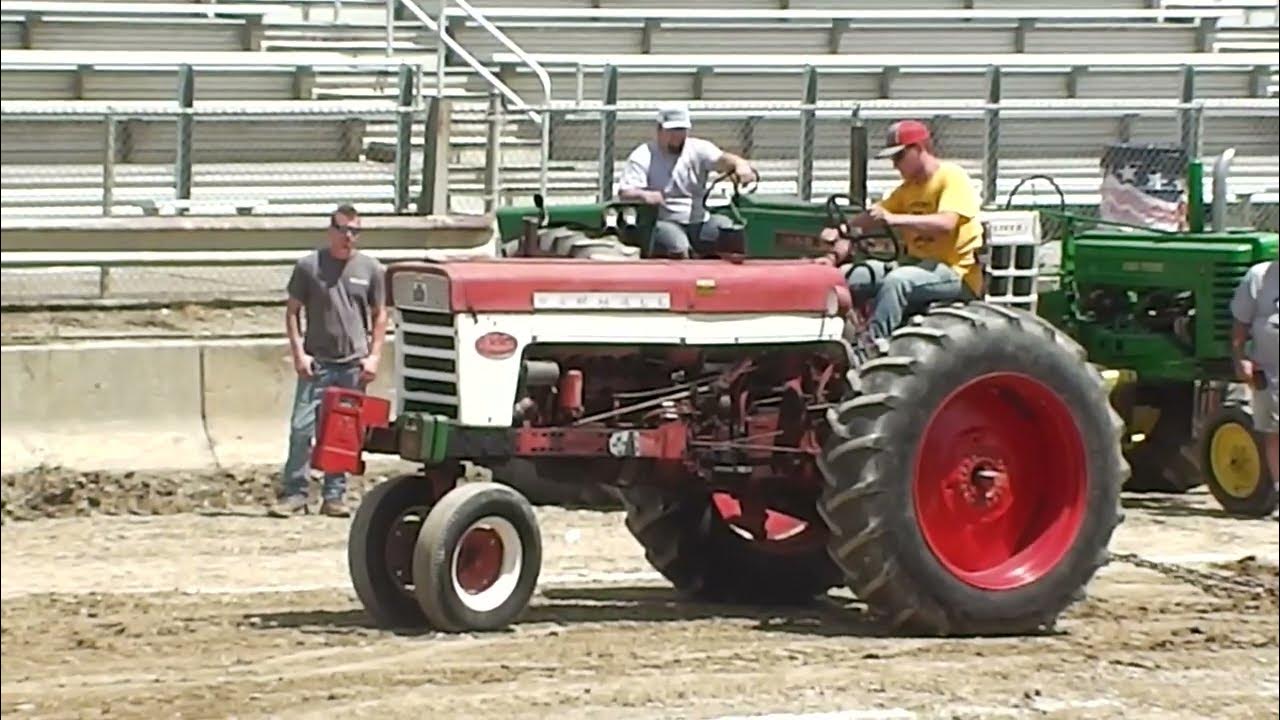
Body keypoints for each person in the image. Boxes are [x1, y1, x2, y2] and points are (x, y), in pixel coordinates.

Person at [270, 204, 388, 518]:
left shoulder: (371, 270)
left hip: (353, 365)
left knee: (342, 433)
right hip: (317, 365)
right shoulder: (309, 267)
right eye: (343, 229)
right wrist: (299, 354)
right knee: (301, 429)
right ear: (330, 230)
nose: (348, 236)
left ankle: (334, 496)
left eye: (354, 231)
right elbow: (293, 312)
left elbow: (380, 316)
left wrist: (374, 356)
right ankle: (295, 492)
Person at [818, 119, 985, 339]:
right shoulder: (907, 189)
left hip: (954, 272)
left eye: (898, 157)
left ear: (918, 149)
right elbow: (874, 216)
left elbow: (947, 223)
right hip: (915, 264)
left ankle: (873, 346)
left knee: (898, 281)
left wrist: (893, 219)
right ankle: (838, 336)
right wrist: (841, 230)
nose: (894, 165)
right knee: (846, 276)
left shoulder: (951, 177)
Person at [618, 104, 758, 258]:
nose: (677, 136)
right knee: (678, 246)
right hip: (664, 220)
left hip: (700, 220)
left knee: (730, 232)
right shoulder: (643, 155)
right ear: (659, 130)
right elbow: (625, 192)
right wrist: (645, 196)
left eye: (681, 130)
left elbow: (722, 159)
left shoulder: (698, 148)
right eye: (671, 131)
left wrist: (740, 165)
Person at [1229, 257, 1279, 515]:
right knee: (1273, 431)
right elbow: (1240, 325)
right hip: (1270, 370)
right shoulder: (1259, 277)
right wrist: (1242, 359)